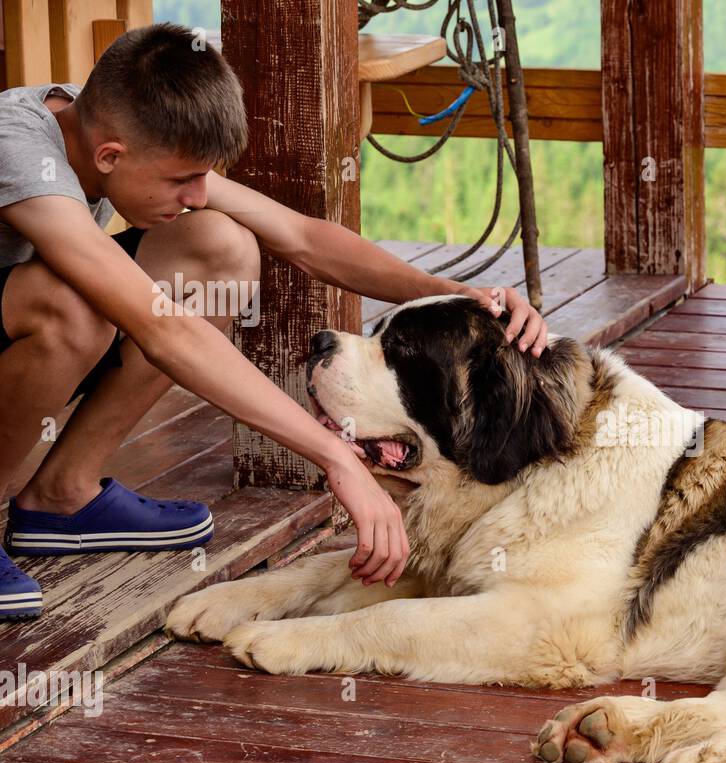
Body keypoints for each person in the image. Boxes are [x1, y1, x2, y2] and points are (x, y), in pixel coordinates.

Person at [0, 23, 547, 622]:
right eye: (181, 180)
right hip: (34, 321)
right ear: (110, 155)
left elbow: (303, 238)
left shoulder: (116, 129)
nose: (193, 194)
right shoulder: (18, 147)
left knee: (220, 247)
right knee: (73, 308)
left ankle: (62, 495)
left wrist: (456, 296)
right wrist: (337, 457)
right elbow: (163, 330)